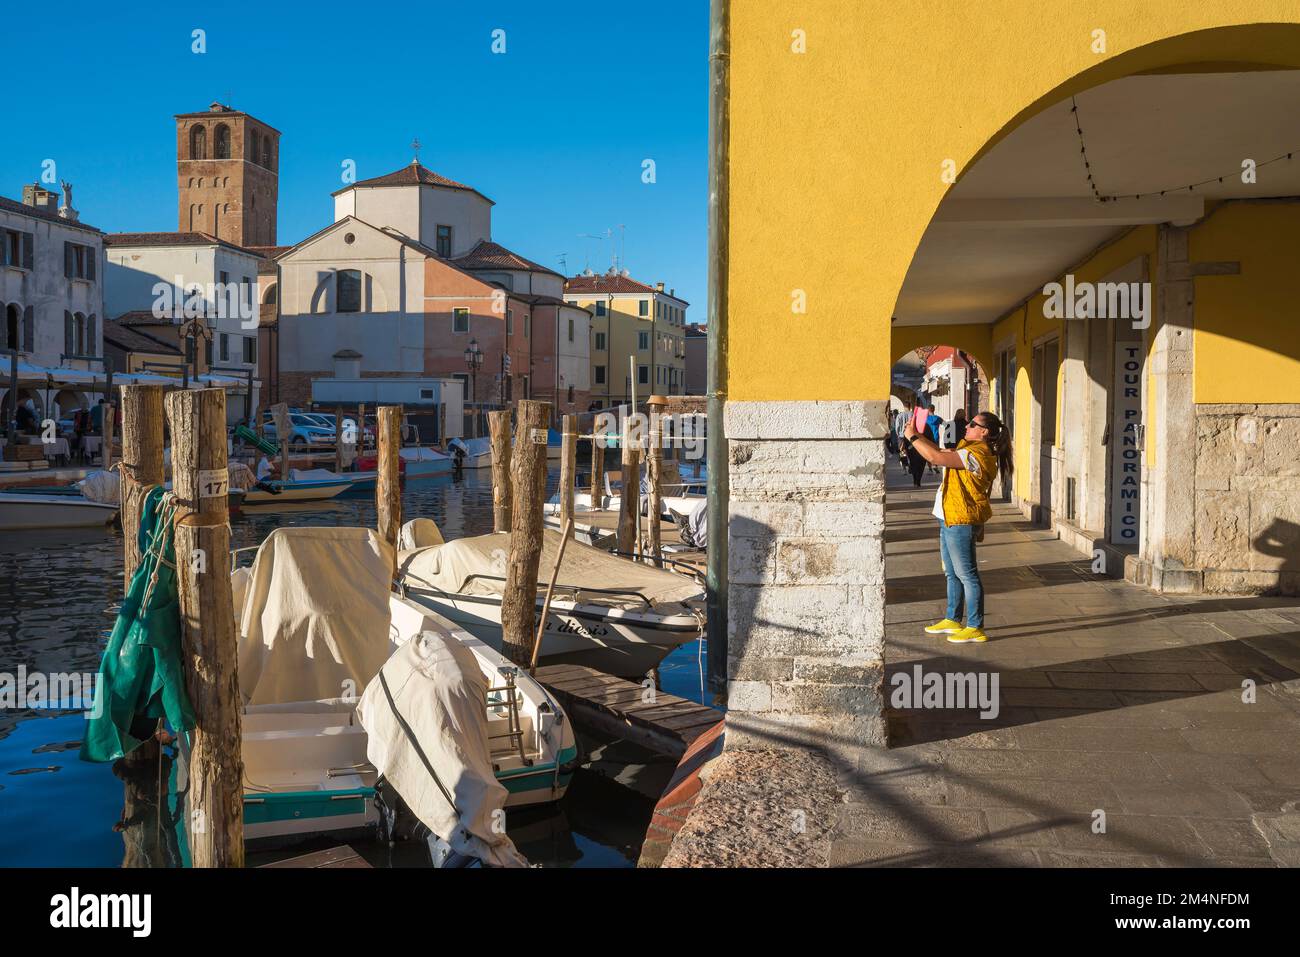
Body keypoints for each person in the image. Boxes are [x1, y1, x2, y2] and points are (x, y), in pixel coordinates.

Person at [903, 410, 1014, 643]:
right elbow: (939, 452)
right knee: (951, 573)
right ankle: (953, 619)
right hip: (949, 517)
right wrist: (915, 435)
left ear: (983, 432)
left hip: (961, 520)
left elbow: (935, 458)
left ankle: (975, 625)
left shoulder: (978, 454)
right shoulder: (968, 450)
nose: (966, 426)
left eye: (972, 424)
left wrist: (913, 437)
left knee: (967, 575)